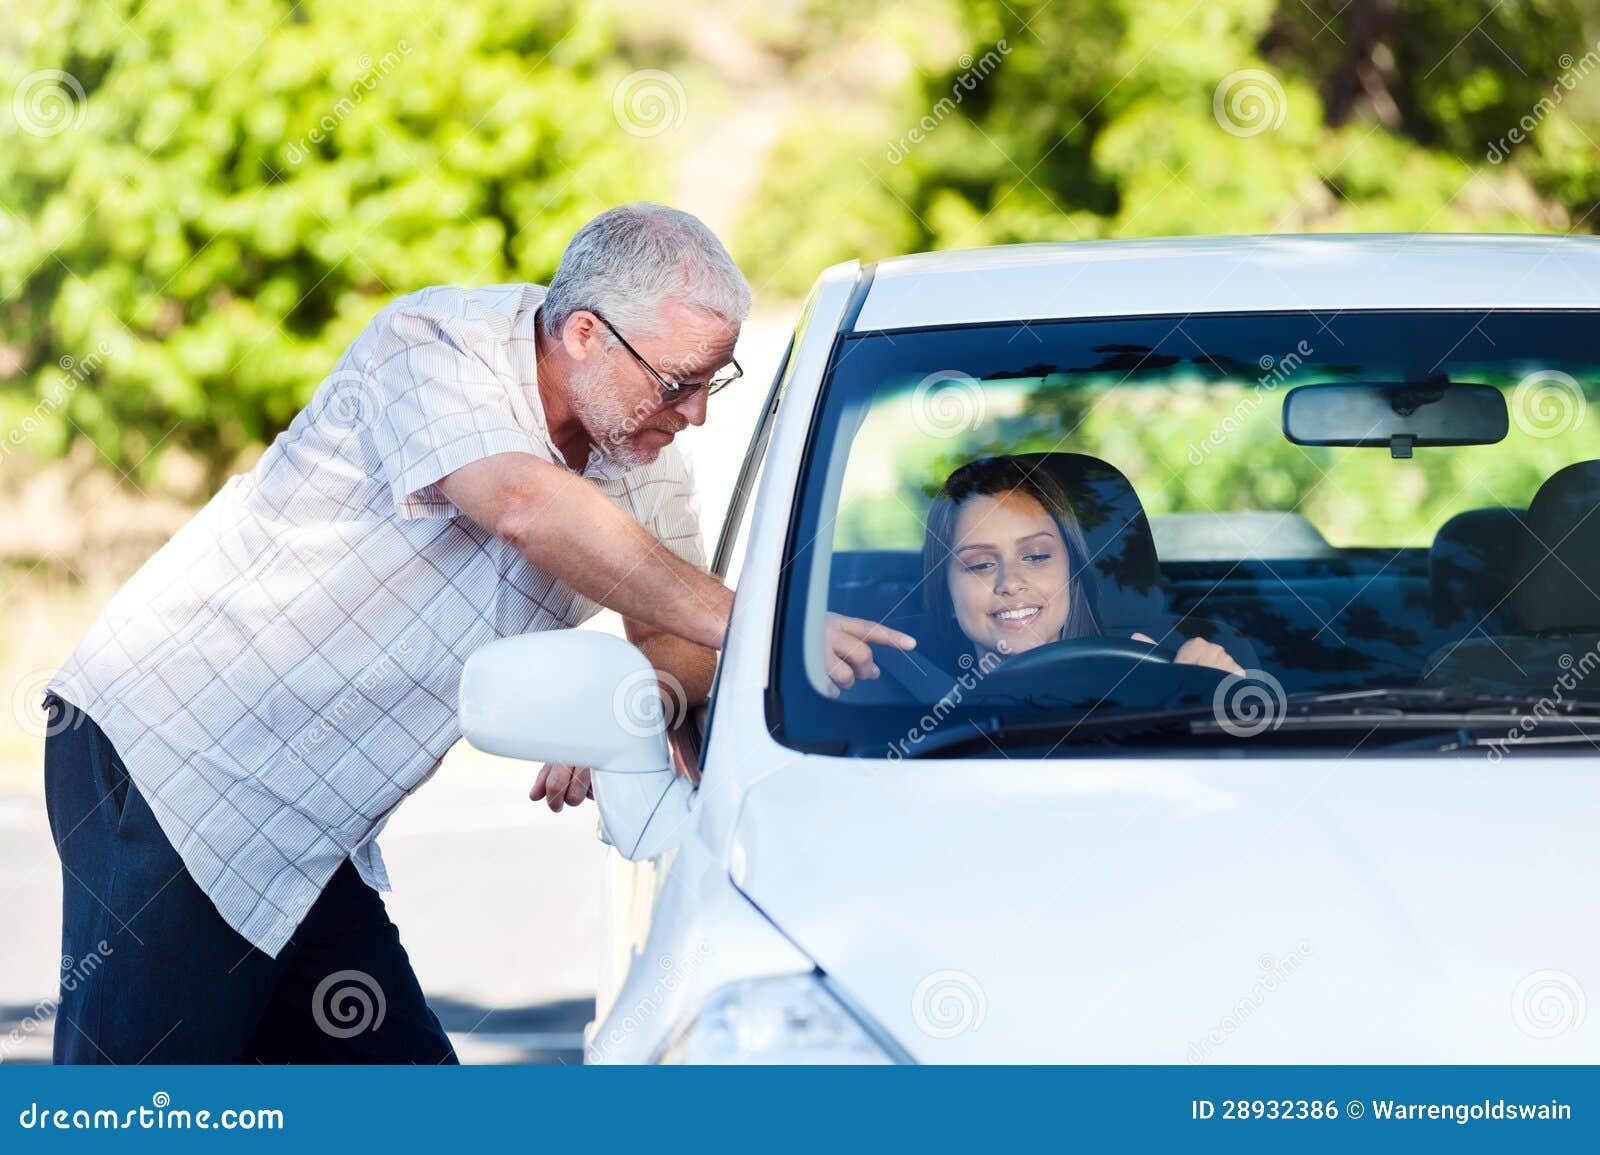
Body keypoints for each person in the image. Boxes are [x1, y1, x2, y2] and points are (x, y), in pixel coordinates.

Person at [41, 202, 912, 1064]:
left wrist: (629, 699)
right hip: (176, 760)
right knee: (137, 1108)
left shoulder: (643, 462)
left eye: (711, 383)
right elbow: (525, 506)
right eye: (678, 382)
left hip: (312, 833)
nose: (696, 415)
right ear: (583, 336)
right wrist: (773, 618)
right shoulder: (431, 343)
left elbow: (674, 638)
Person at [921, 456, 1242, 673]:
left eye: (1035, 556)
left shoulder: (1178, 670)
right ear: (946, 591)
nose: (1011, 582)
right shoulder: (902, 704)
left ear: (1072, 572)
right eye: (980, 565)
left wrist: (1211, 700)